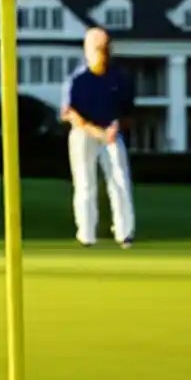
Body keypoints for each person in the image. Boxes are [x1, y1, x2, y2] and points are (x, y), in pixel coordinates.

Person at [59, 27, 136, 248]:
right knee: (85, 183)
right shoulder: (77, 80)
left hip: (111, 133)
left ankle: (125, 232)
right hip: (84, 134)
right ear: (88, 50)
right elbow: (71, 114)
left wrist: (115, 126)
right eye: (98, 49)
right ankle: (86, 235)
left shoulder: (120, 78)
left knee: (120, 180)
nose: (103, 53)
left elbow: (126, 110)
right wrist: (97, 132)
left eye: (105, 48)